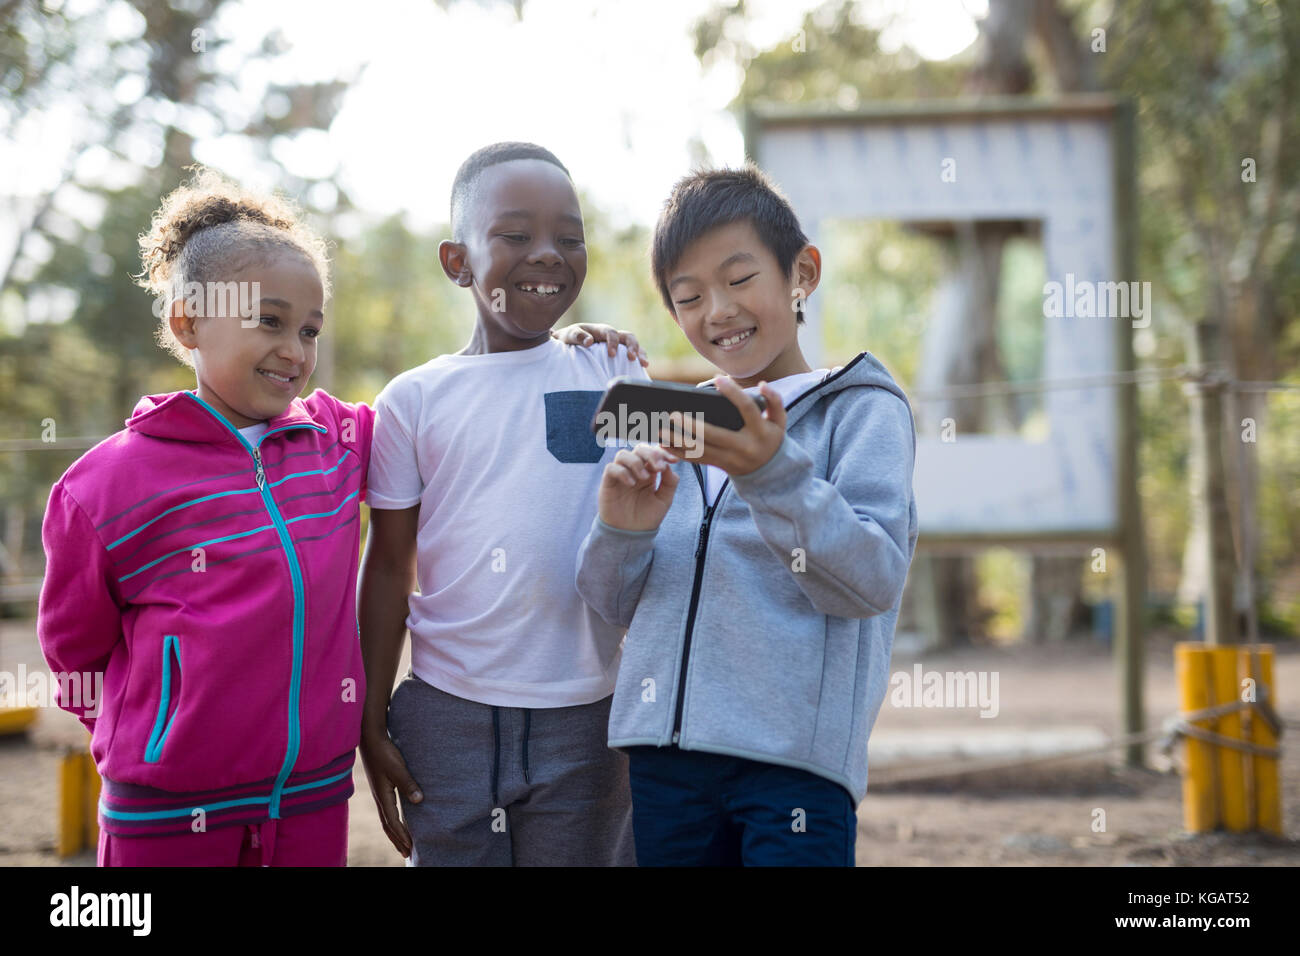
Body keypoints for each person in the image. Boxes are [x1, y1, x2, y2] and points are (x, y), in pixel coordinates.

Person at [37, 166, 628, 867]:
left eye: (310, 329)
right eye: (269, 322)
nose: (295, 349)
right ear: (187, 320)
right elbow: (73, 648)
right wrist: (146, 736)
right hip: (166, 809)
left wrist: (569, 343)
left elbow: (477, 422)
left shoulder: (340, 439)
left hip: (311, 799)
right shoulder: (104, 486)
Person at [575, 164, 919, 866]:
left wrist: (769, 474)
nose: (719, 311)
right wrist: (623, 527)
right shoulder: (672, 421)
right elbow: (611, 607)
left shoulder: (862, 408)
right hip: (664, 761)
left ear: (803, 273)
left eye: (738, 279)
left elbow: (870, 581)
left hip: (791, 768)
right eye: (689, 296)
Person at [359, 142, 648, 866]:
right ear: (457, 263)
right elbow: (390, 566)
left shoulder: (611, 368)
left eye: (570, 238)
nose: (548, 254)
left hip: (589, 716)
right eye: (517, 236)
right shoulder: (413, 401)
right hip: (447, 714)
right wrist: (369, 718)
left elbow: (678, 482)